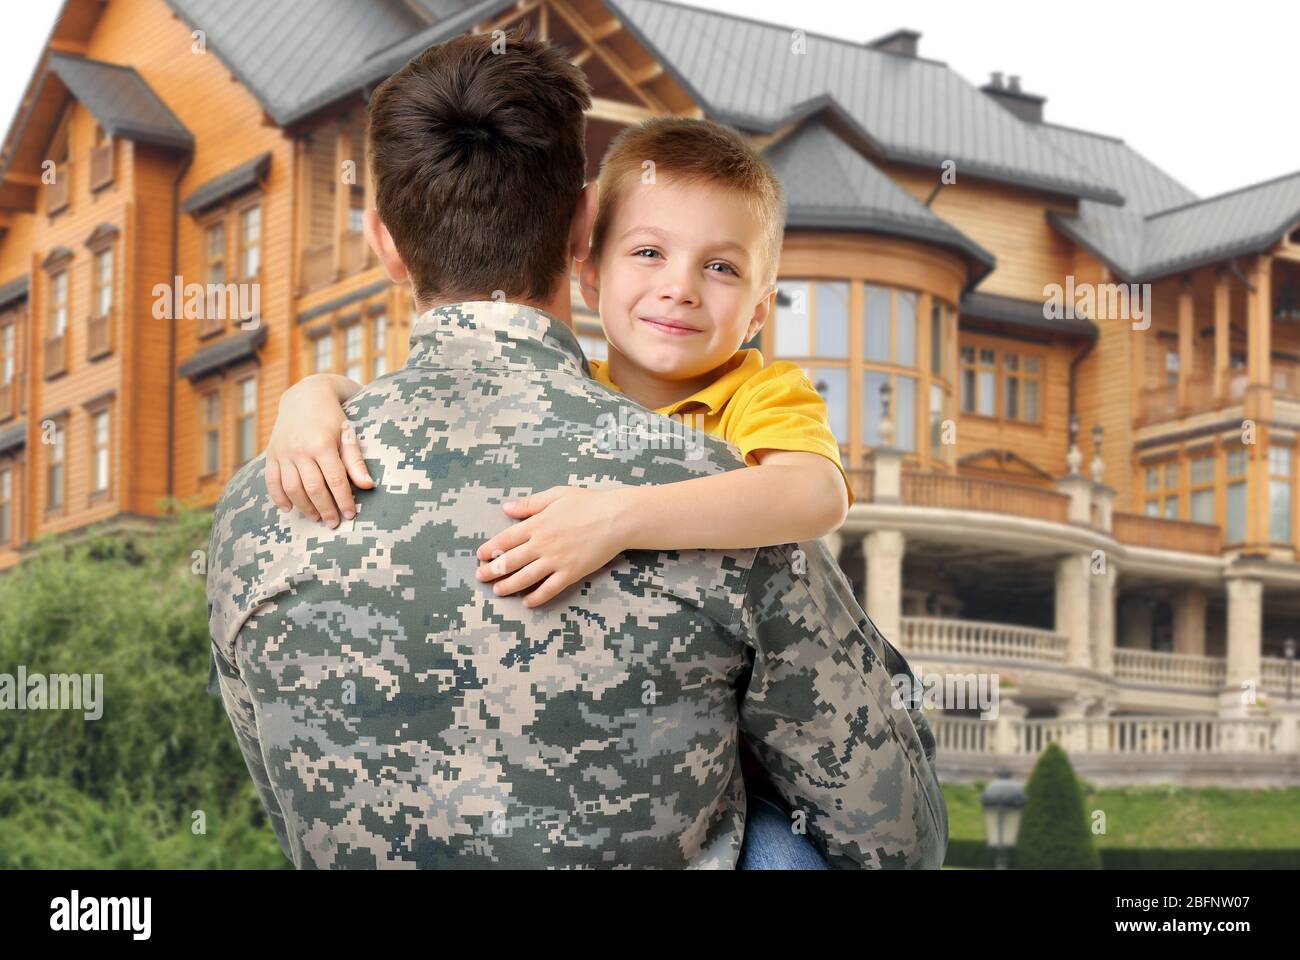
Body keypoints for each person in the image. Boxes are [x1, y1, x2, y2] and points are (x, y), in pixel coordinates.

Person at [206, 25, 947, 869]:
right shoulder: (715, 495)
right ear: (583, 233)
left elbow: (283, 800)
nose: (680, 288)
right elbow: (895, 838)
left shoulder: (264, 503)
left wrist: (307, 401)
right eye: (653, 252)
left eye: (721, 270)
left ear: (383, 244)